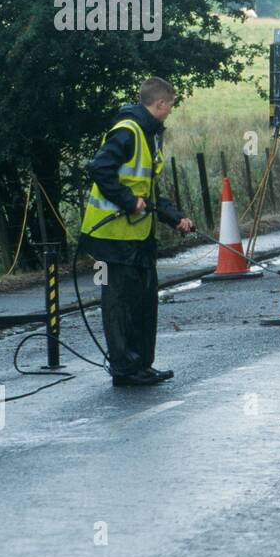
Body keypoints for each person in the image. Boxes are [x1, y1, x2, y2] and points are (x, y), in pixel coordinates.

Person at [79, 77, 193, 387]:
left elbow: (150, 190)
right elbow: (98, 168)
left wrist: (175, 217)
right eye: (170, 105)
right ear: (159, 104)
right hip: (112, 239)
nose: (171, 110)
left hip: (138, 237)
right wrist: (128, 201)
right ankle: (125, 369)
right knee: (120, 304)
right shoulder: (127, 132)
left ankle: (142, 364)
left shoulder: (150, 135)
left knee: (144, 302)